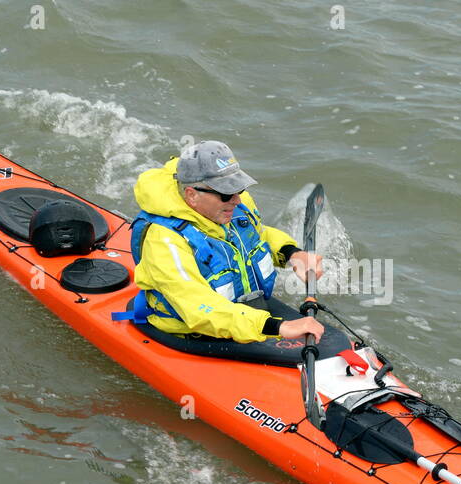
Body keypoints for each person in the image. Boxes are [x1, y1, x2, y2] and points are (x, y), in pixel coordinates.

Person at [127, 141, 326, 343]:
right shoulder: (164, 241)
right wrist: (277, 327)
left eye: (238, 189)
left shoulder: (231, 204)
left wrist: (293, 254)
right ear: (192, 195)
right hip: (192, 332)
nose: (237, 200)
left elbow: (258, 235)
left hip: (245, 316)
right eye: (226, 193)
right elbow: (196, 307)